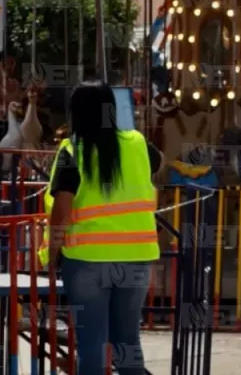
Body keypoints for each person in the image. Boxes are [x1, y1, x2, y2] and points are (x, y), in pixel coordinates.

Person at [46, 82, 163, 375]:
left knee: (92, 345)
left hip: (87, 260)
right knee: (127, 343)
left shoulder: (72, 150)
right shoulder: (137, 143)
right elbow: (158, 164)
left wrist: (52, 253)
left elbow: (62, 209)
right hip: (137, 256)